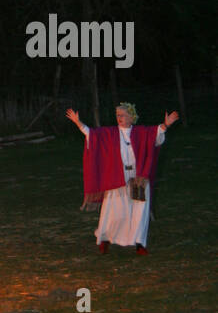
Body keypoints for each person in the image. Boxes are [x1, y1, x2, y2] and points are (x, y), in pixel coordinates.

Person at [66, 102, 179, 254]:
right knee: (113, 208)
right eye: (118, 115)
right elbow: (91, 134)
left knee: (140, 209)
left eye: (123, 115)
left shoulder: (141, 132)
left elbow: (156, 135)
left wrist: (166, 124)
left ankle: (140, 243)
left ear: (131, 117)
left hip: (138, 176)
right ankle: (105, 239)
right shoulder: (110, 133)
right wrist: (78, 122)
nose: (119, 118)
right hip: (117, 175)